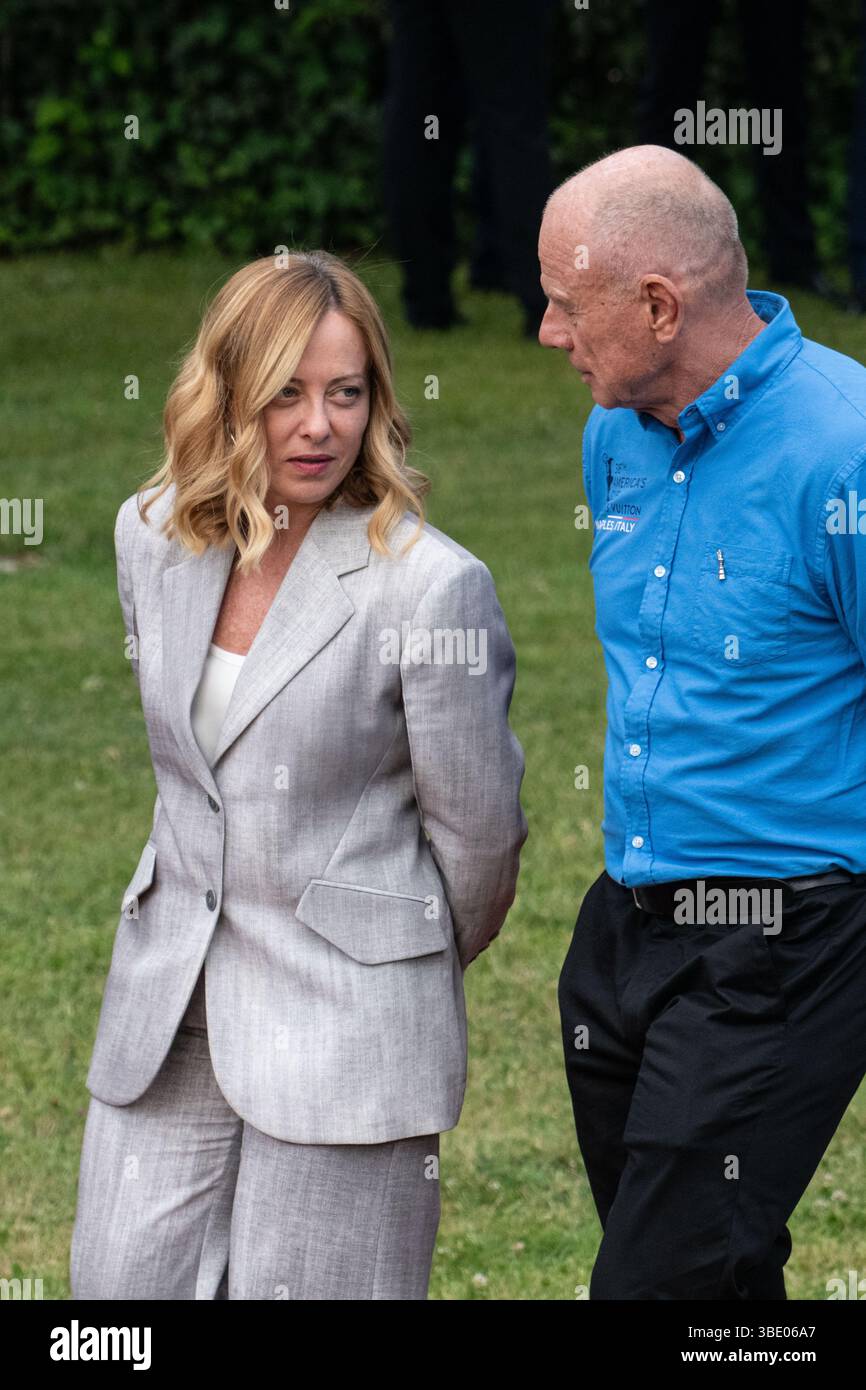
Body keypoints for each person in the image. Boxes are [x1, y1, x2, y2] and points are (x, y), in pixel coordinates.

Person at [70, 250, 528, 1300]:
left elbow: (480, 842)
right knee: (116, 1297)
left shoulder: (430, 589)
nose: (318, 425)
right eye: (285, 394)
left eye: (344, 392)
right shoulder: (151, 538)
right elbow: (186, 772)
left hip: (347, 1029)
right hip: (168, 1008)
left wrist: (385, 959)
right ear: (225, 397)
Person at [539, 145, 866, 1299]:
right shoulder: (616, 432)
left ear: (658, 305)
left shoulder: (844, 446)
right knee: (711, 1277)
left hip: (782, 939)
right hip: (624, 928)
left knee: (654, 1286)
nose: (544, 332)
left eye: (562, 303)